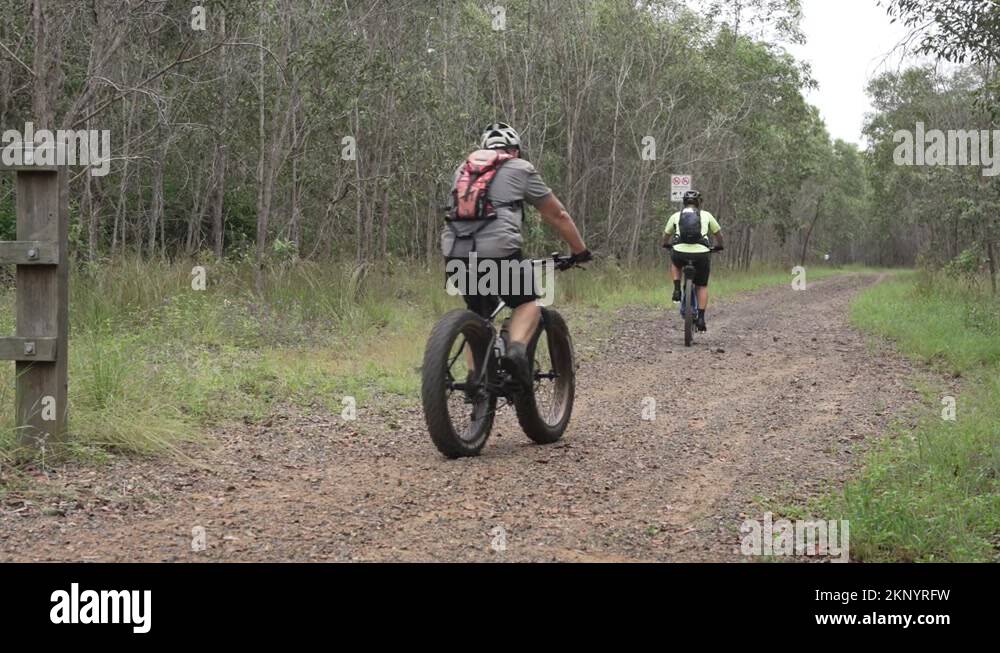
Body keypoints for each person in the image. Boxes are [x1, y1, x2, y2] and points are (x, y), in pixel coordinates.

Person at [442, 122, 590, 389]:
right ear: (515, 151)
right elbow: (557, 215)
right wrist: (579, 251)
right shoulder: (520, 168)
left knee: (478, 313)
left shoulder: (462, 170)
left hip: (455, 253)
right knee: (526, 302)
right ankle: (517, 353)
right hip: (499, 253)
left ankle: (476, 381)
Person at [661, 189, 724, 332]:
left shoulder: (676, 215)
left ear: (684, 202)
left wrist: (665, 244)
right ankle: (701, 317)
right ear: (699, 203)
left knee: (675, 263)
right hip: (701, 254)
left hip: (680, 252)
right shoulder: (706, 215)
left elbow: (666, 236)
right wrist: (720, 246)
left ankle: (677, 288)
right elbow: (718, 234)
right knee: (701, 286)